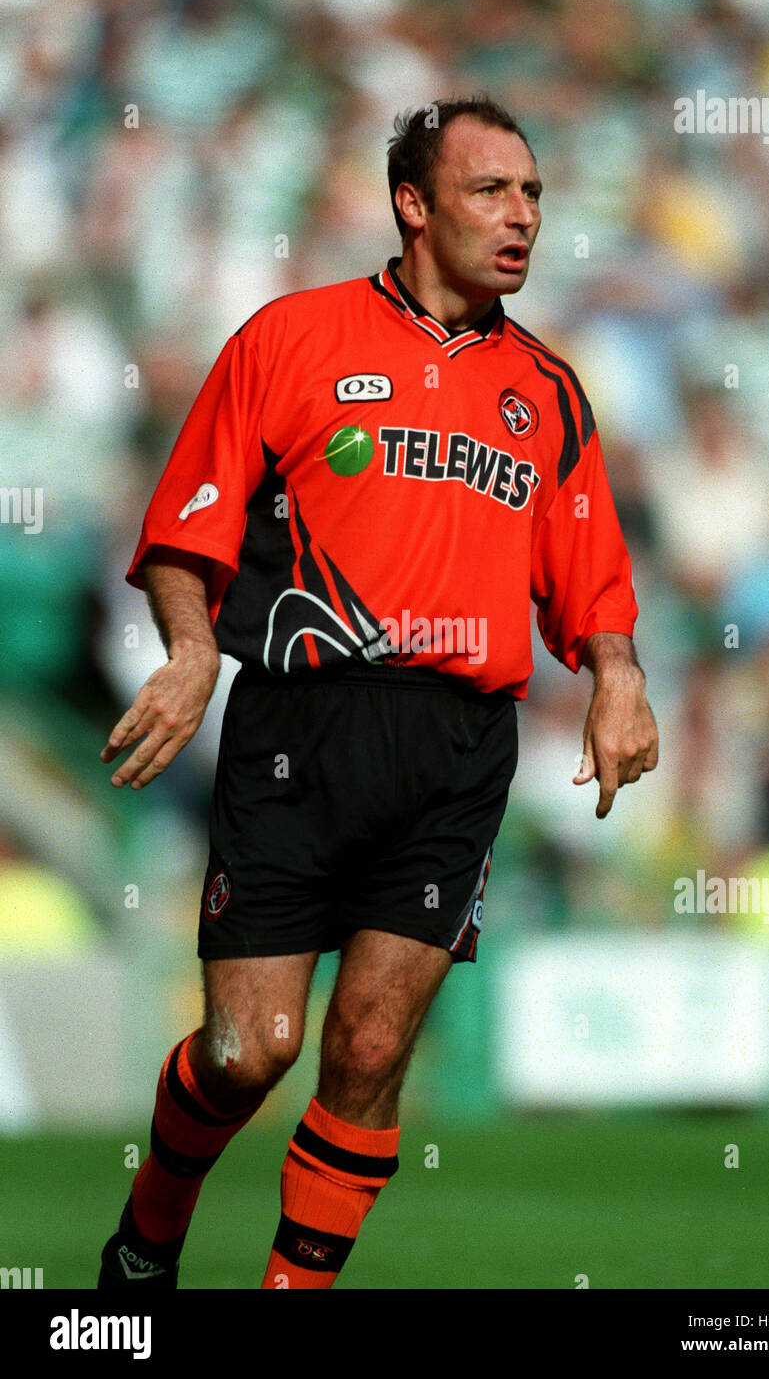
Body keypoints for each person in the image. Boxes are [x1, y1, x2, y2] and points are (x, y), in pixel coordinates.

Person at [97, 95, 658, 1291]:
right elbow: (184, 535)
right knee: (252, 1052)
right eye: (489, 191)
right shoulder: (290, 339)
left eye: (534, 196)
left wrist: (617, 675)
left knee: (361, 1049)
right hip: (299, 726)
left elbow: (589, 575)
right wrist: (193, 653)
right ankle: (148, 1236)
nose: (521, 219)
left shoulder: (547, 392)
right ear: (412, 203)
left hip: (457, 746)